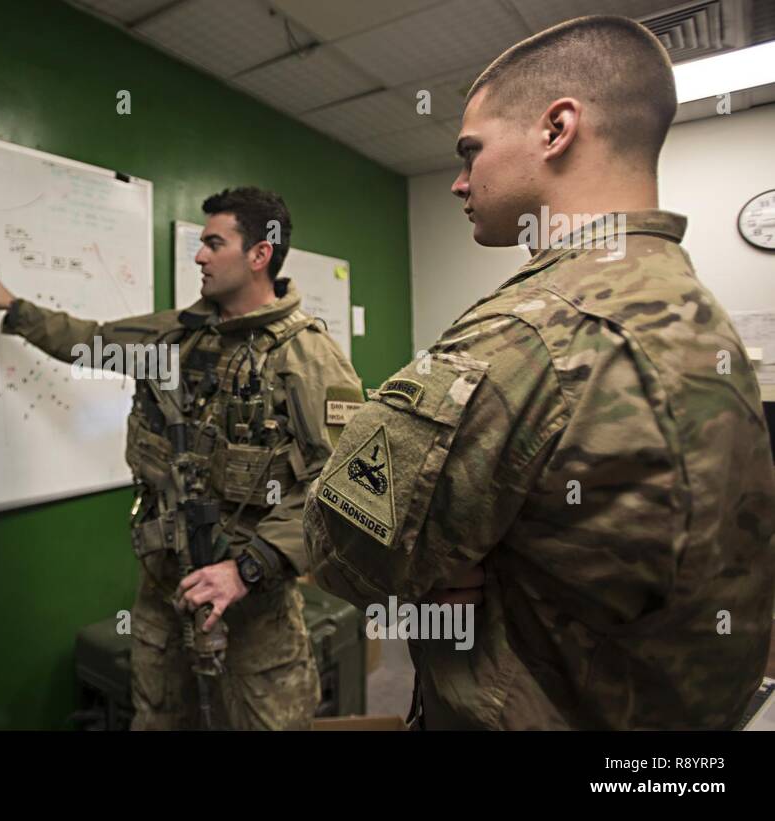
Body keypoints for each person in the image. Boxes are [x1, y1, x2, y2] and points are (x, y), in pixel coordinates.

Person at [302, 15, 775, 729]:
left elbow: (342, 547)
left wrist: (444, 575)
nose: (459, 182)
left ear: (556, 129)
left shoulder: (532, 332)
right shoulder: (692, 308)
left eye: (472, 150)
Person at [0, 187, 363, 729]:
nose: (199, 256)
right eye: (200, 243)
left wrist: (248, 568)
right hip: (163, 589)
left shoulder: (306, 355)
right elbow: (91, 341)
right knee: (156, 719)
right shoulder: (176, 337)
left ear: (259, 254)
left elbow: (346, 484)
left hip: (252, 605)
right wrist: (16, 310)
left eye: (213, 243)